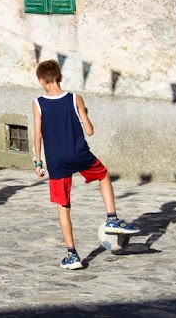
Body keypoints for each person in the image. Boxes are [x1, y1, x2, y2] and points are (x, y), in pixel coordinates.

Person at [32, 59, 140, 270]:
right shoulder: (75, 99)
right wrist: (84, 113)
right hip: (79, 154)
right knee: (103, 175)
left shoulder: (38, 104)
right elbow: (90, 131)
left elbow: (37, 135)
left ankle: (72, 255)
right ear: (61, 77)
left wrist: (38, 162)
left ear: (41, 81)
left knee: (63, 207)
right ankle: (112, 218)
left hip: (56, 161)